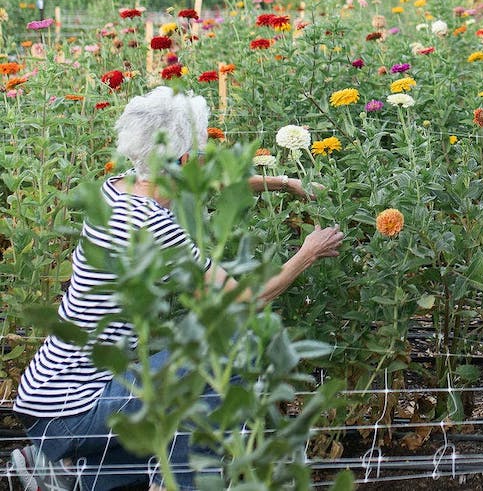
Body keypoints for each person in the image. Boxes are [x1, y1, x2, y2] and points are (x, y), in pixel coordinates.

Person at [8, 86, 344, 491]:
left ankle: (76, 473)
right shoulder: (152, 225)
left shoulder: (115, 189)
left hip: (42, 395)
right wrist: (308, 252)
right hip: (75, 410)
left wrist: (283, 182)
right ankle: (184, 483)